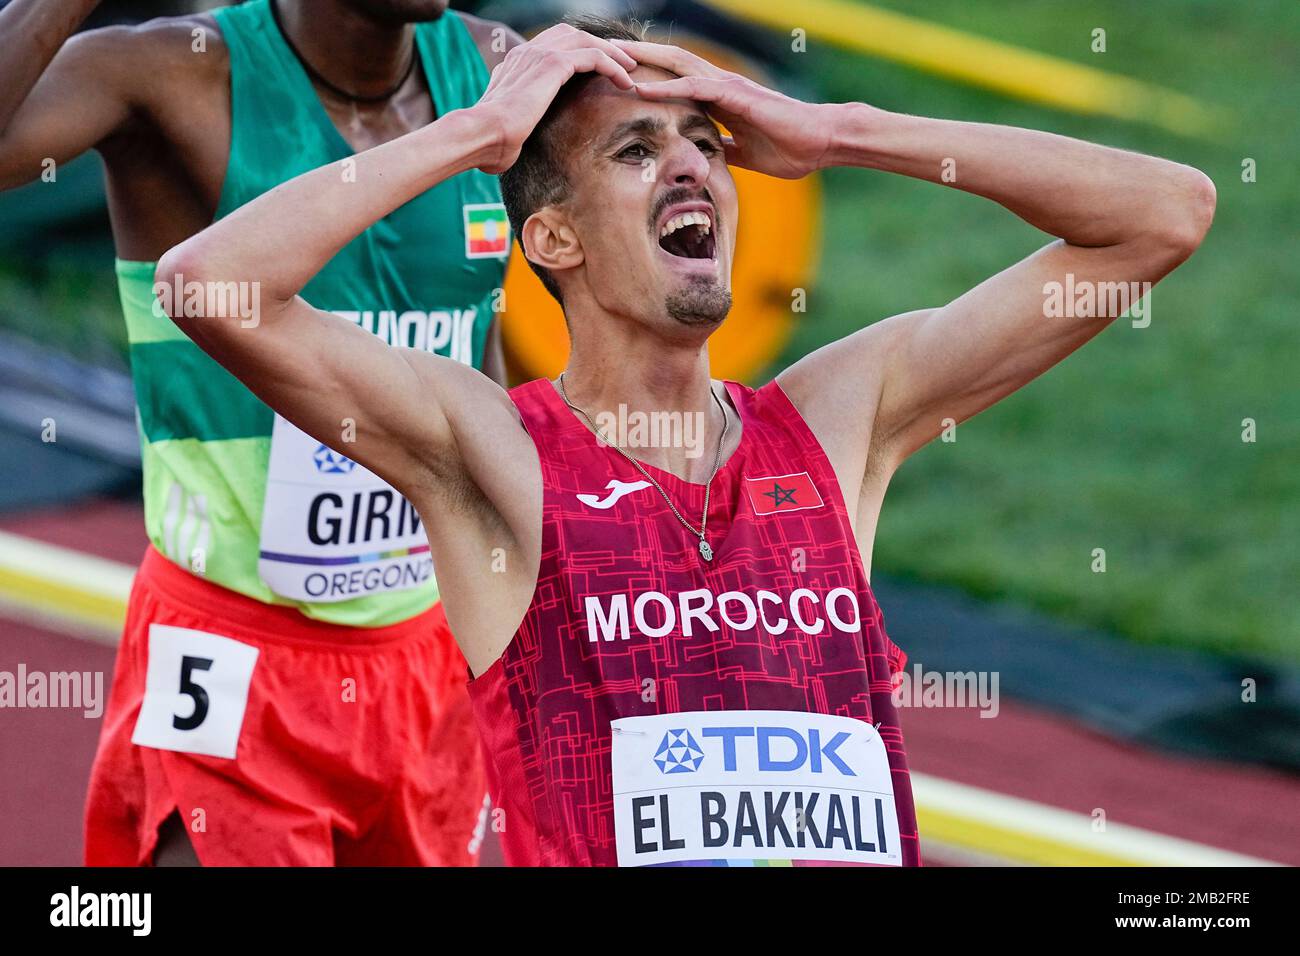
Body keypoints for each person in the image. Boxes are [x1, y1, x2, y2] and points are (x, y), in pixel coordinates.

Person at [152, 17, 1215, 866]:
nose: (690, 169)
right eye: (637, 148)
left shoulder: (838, 420)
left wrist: (833, 131)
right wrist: (478, 137)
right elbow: (207, 285)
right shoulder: (496, 455)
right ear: (551, 238)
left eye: (706, 147)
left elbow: (1164, 213)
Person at [0, 0, 529, 865]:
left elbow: (478, 337)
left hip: (428, 659)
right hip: (232, 660)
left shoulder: (498, 70)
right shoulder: (169, 75)